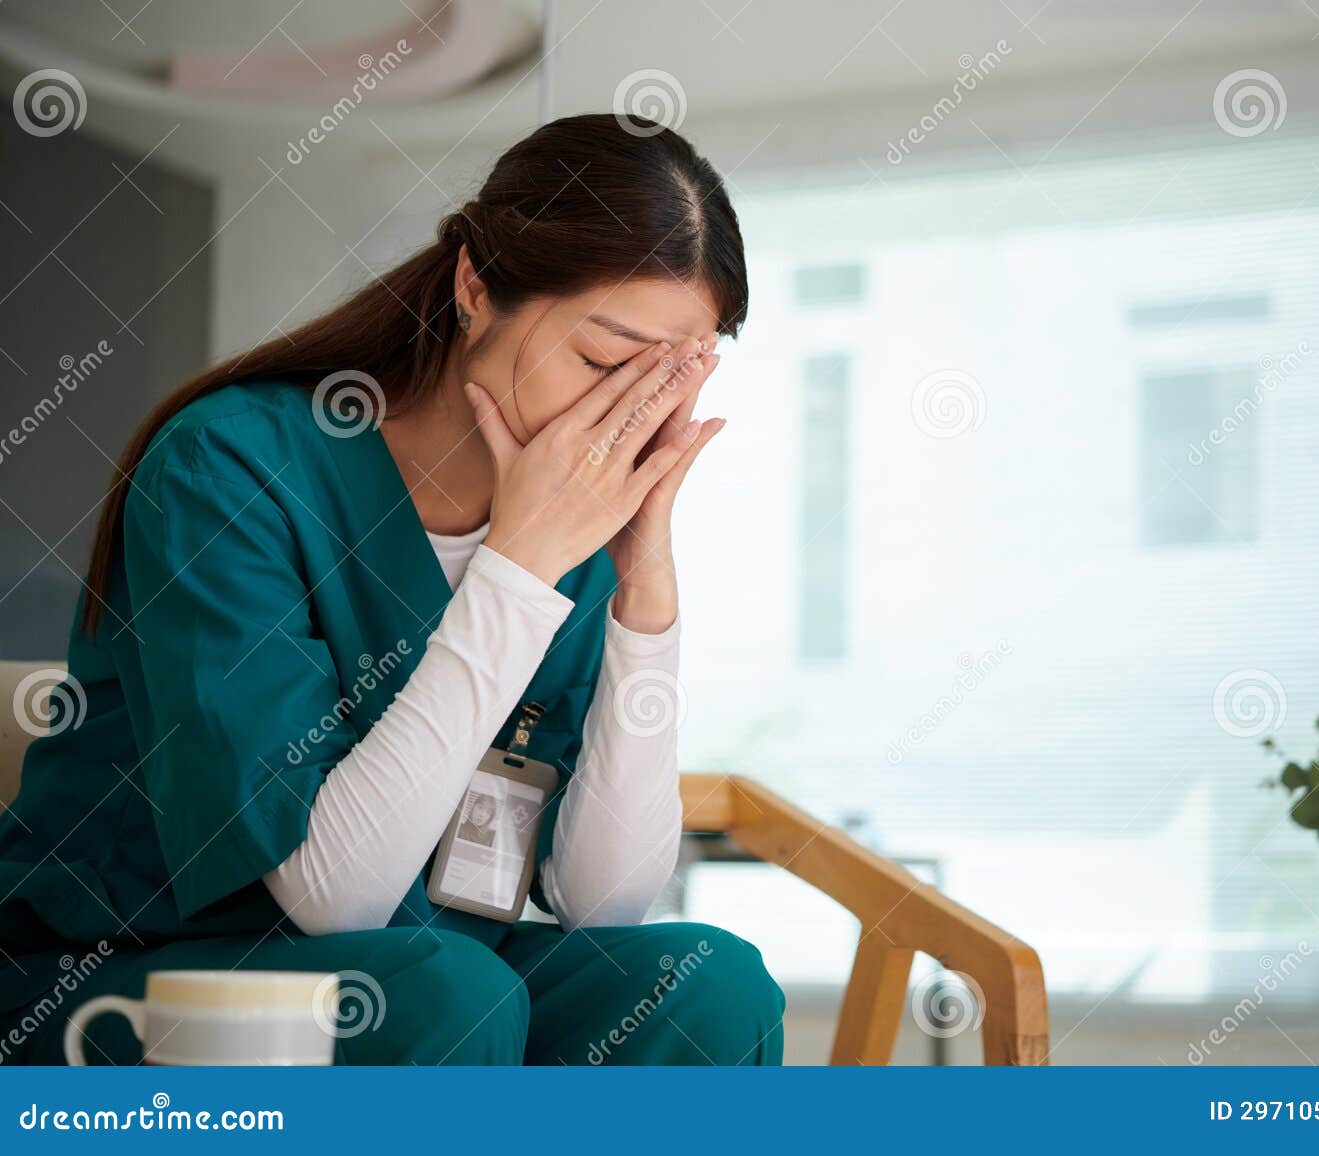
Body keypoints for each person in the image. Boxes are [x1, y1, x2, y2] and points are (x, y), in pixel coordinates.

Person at [0, 113, 784, 1066]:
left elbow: (600, 902)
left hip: (443, 974)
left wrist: (643, 598)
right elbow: (334, 900)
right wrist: (518, 572)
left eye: (665, 381)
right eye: (601, 361)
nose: (624, 417)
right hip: (137, 970)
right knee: (440, 994)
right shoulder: (232, 466)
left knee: (707, 983)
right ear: (475, 289)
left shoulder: (574, 535)